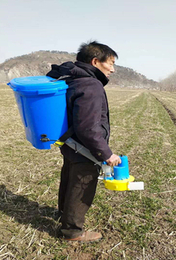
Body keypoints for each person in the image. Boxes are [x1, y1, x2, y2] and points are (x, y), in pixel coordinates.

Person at [46, 41, 121, 242]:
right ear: (96, 61)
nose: (113, 70)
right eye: (111, 64)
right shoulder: (91, 85)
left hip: (71, 143)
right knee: (82, 185)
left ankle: (64, 214)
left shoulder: (71, 78)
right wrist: (106, 153)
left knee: (70, 180)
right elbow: (88, 127)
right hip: (85, 147)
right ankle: (72, 231)